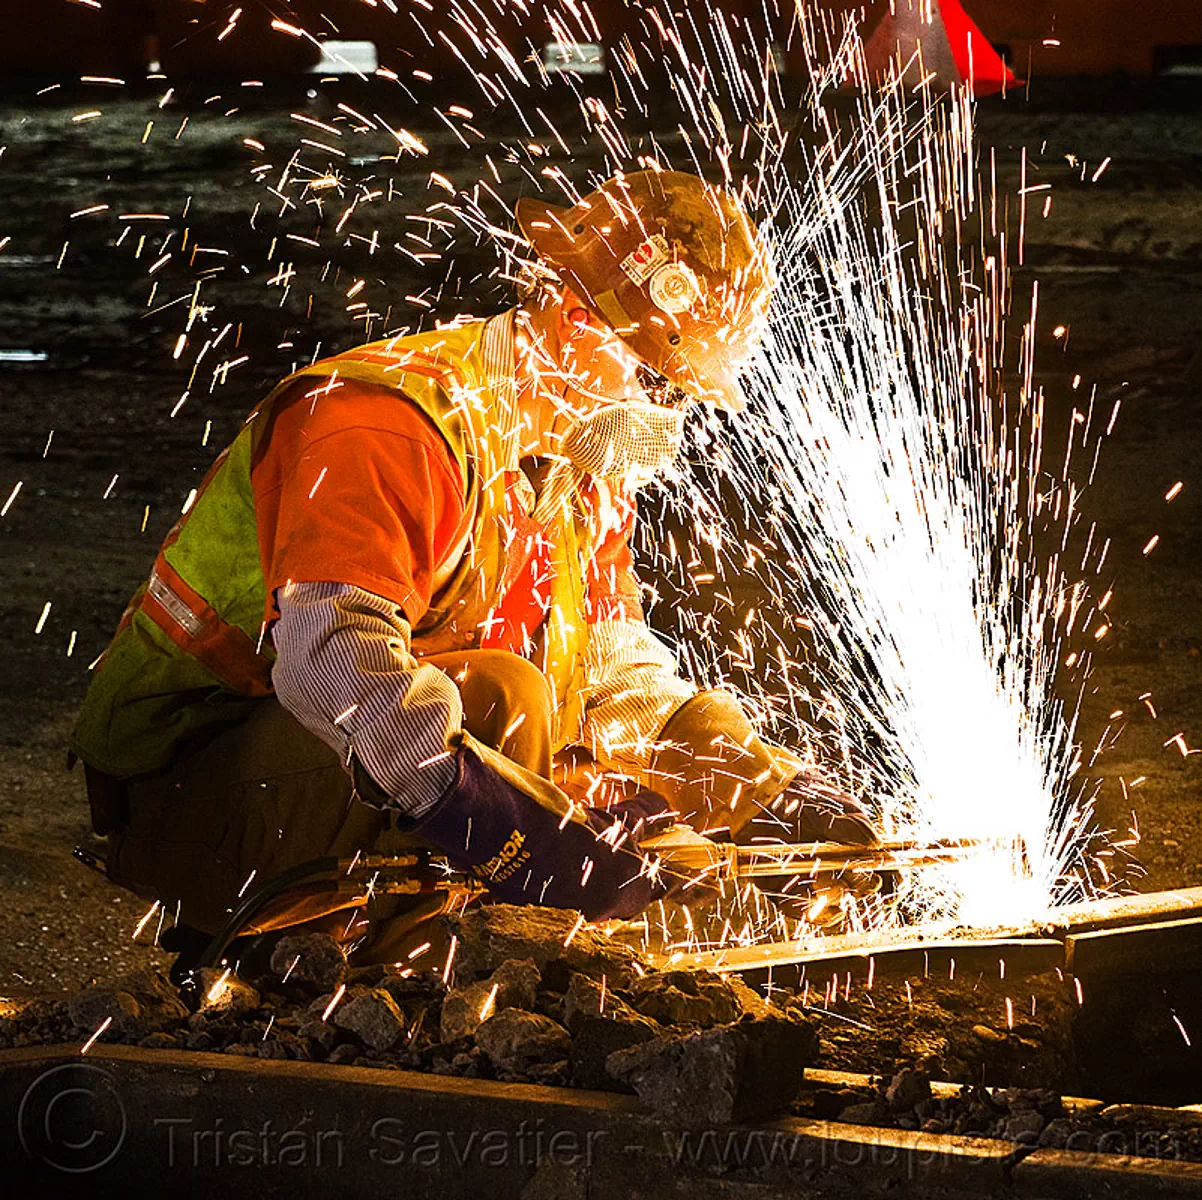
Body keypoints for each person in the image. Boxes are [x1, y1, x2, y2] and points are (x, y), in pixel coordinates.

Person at [70, 169, 877, 968]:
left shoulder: (578, 469)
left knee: (642, 823)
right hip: (194, 798)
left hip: (330, 776)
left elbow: (613, 673)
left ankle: (442, 943)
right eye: (659, 382)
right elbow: (332, 667)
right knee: (508, 698)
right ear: (571, 322)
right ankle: (364, 968)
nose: (670, 418)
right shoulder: (388, 425)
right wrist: (508, 829)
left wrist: (760, 786)